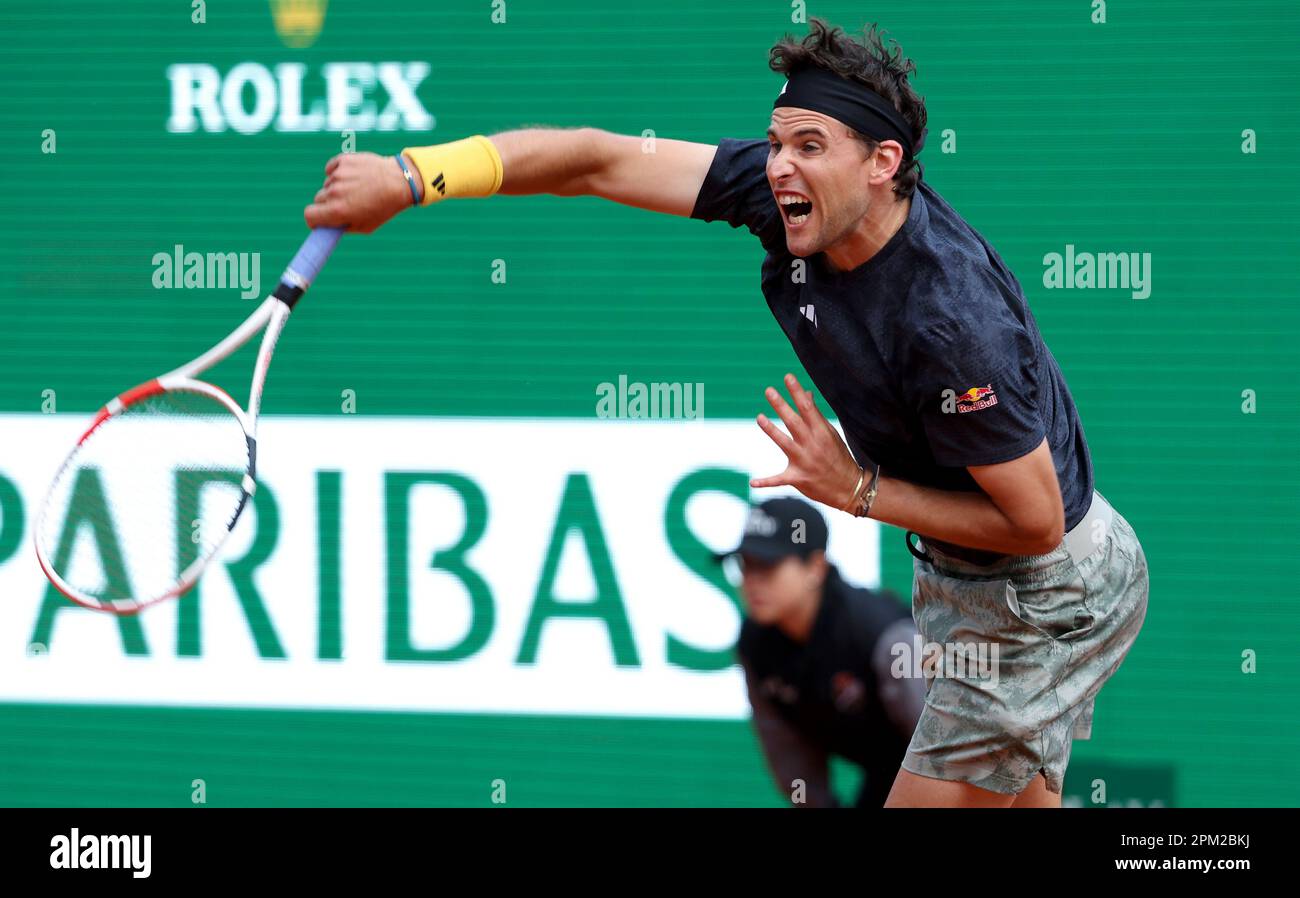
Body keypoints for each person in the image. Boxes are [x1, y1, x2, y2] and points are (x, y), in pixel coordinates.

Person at [303, 18, 1149, 807]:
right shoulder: (791, 199)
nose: (779, 165)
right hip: (966, 578)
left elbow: (1034, 524)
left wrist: (855, 490)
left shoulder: (951, 326)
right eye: (778, 142)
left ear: (882, 162)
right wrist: (416, 177)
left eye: (808, 147)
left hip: (1048, 593)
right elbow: (597, 160)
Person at [723, 497, 923, 808]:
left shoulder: (884, 637)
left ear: (815, 566)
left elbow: (948, 752)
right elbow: (790, 759)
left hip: (949, 777)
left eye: (768, 565)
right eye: (746, 564)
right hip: (885, 772)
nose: (752, 581)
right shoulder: (754, 644)